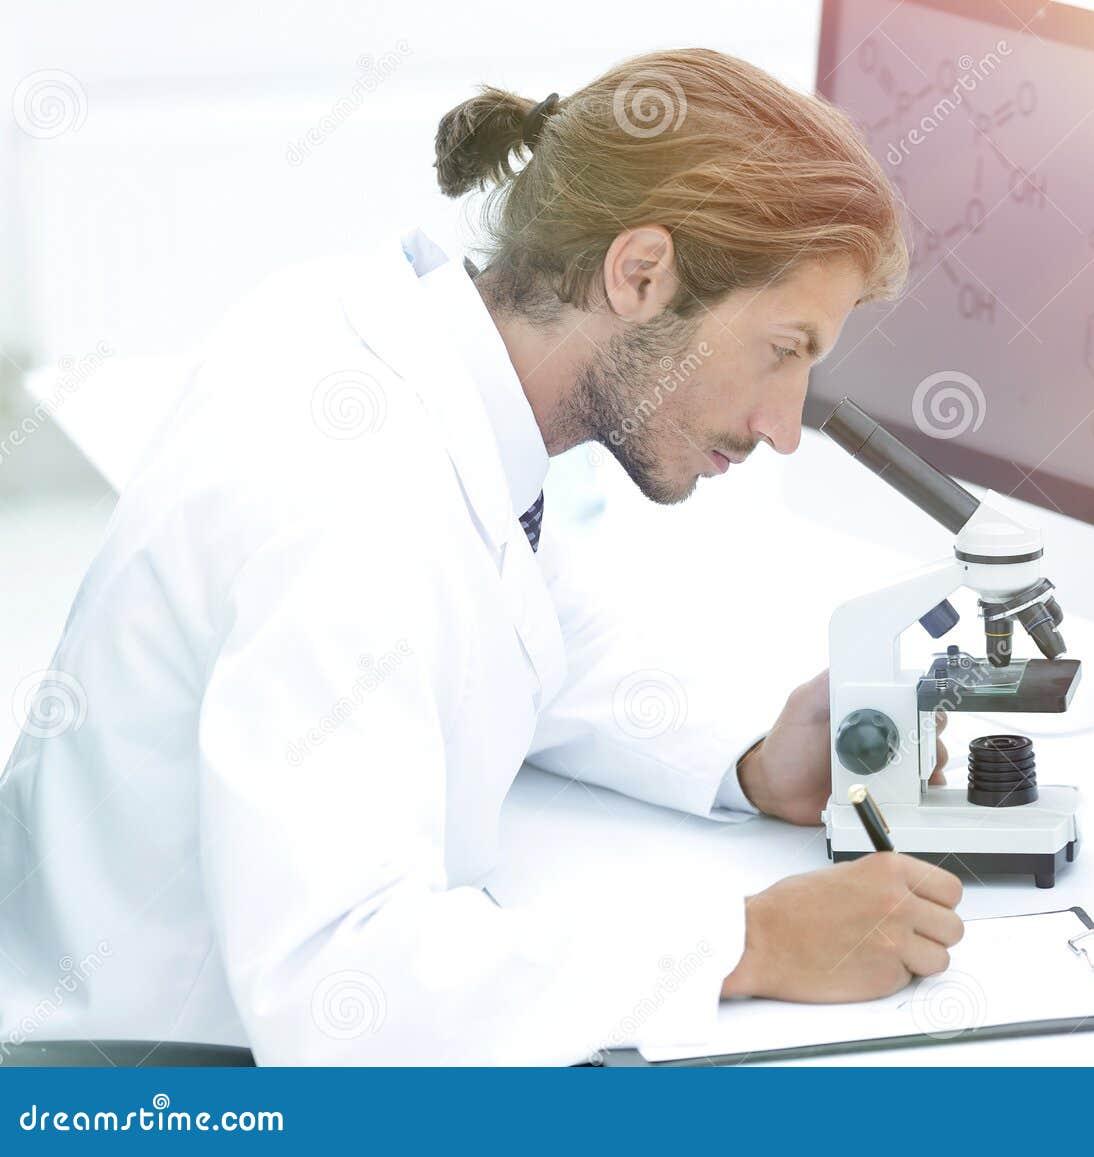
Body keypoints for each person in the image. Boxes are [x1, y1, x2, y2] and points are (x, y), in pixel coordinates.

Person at [0, 48, 965, 1065]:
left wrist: (752, 760)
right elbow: (338, 985)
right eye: (784, 349)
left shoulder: (390, 337)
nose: (785, 425)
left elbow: (510, 618)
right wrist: (747, 943)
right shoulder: (355, 501)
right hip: (144, 1077)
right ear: (640, 273)